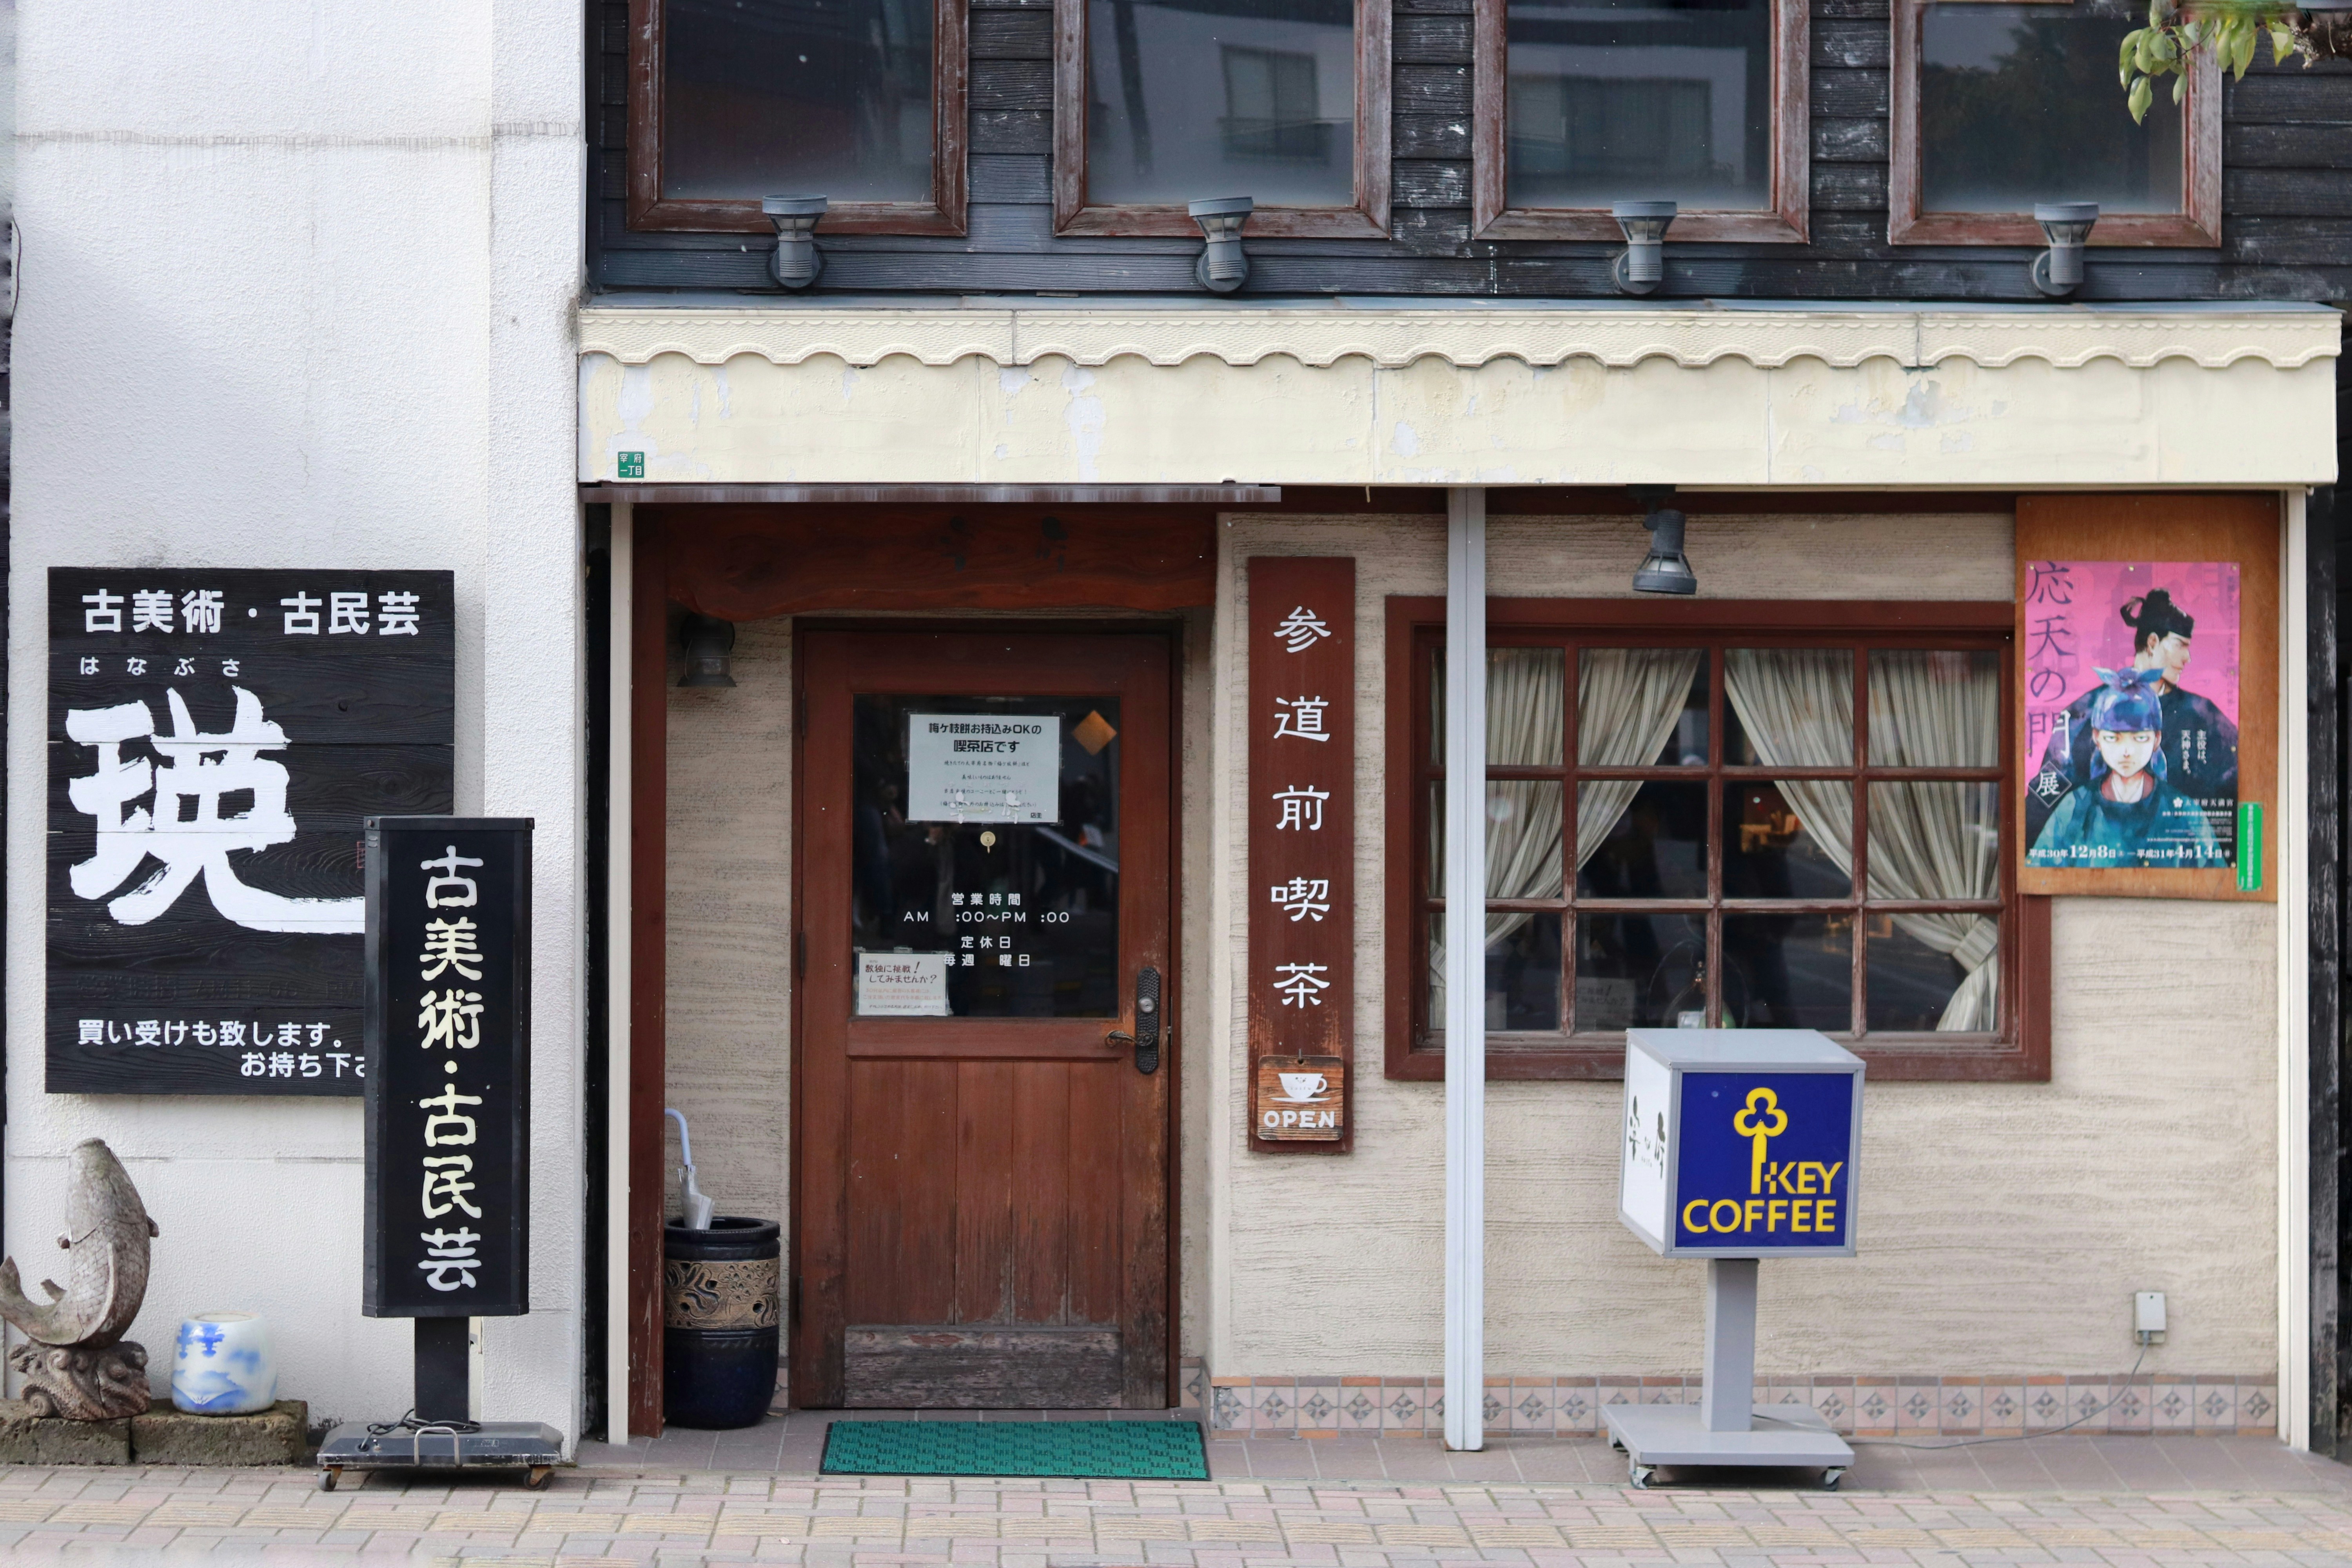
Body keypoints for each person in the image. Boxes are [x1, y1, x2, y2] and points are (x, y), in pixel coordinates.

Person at [2024, 587, 2238, 850]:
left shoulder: (2204, 716)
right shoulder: (2087, 711)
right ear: (2152, 643)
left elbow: (2237, 789)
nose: (2187, 658)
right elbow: (2045, 798)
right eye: (2180, 645)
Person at [2026, 666, 2225, 869]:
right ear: (2097, 738)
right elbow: (2039, 870)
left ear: (2156, 739)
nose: (2127, 751)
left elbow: (2214, 875)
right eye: (2113, 738)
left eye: (2140, 738)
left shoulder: (2183, 811)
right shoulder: (2075, 808)